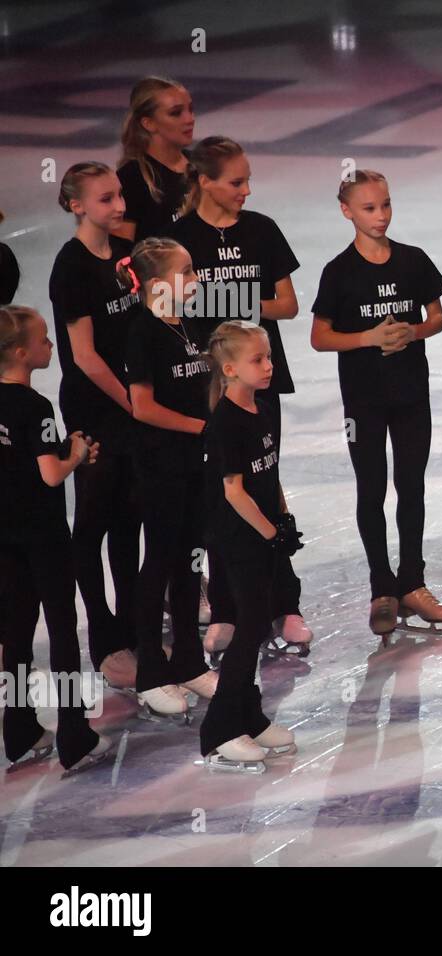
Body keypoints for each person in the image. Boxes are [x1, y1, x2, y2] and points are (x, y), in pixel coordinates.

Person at [168, 135, 312, 656]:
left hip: (262, 378)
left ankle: (286, 603)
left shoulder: (262, 230)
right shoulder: (179, 239)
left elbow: (288, 305)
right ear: (204, 181)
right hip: (207, 386)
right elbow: (170, 306)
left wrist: (223, 298)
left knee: (267, 479)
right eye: (236, 181)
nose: (246, 190)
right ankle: (227, 607)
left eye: (248, 179)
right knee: (223, 496)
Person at [311, 170, 442, 638]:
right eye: (369, 208)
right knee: (371, 490)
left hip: (411, 393)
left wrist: (412, 332)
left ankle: (413, 581)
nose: (380, 216)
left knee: (411, 487)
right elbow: (319, 336)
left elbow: (437, 317)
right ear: (346, 211)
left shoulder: (411, 261)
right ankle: (382, 588)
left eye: (386, 205)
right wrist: (368, 338)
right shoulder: (339, 271)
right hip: (364, 400)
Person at [0, 305, 114, 772]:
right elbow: (50, 475)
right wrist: (77, 453)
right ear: (23, 353)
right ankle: (73, 732)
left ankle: (19, 726)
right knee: (64, 631)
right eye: (45, 339)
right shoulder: (35, 406)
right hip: (44, 536)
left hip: (5, 536)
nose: (51, 345)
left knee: (16, 633)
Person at [48, 162, 141, 689]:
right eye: (105, 199)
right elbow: (83, 356)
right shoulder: (72, 266)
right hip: (96, 406)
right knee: (94, 524)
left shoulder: (123, 256)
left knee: (130, 519)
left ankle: (131, 629)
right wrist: (132, 402)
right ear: (76, 205)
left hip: (128, 403)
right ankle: (103, 641)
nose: (119, 205)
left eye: (120, 195)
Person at [121, 238, 217, 719]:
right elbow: (143, 407)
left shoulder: (192, 324)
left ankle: (188, 659)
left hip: (196, 464)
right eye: (189, 271)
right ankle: (150, 673)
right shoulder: (142, 332)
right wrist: (204, 427)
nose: (197, 277)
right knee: (159, 561)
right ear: (160, 285)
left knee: (189, 562)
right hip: (160, 466)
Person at [201, 320, 298, 771]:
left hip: (264, 533)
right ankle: (220, 729)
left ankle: (251, 715)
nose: (268, 366)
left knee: (258, 626)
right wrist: (269, 533)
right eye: (257, 360)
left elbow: (269, 473)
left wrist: (283, 517)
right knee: (250, 627)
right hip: (240, 537)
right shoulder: (225, 423)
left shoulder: (265, 408)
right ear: (229, 369)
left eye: (270, 357)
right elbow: (234, 491)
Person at [114, 76, 194, 242]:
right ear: (148, 123)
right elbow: (121, 252)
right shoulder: (130, 179)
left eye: (190, 110)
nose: (189, 119)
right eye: (176, 113)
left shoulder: (203, 165)